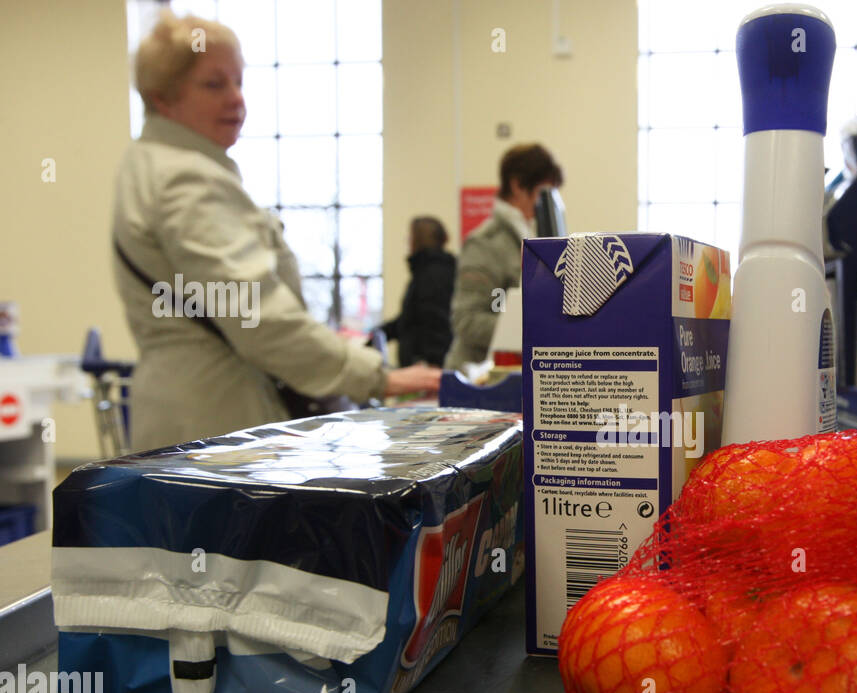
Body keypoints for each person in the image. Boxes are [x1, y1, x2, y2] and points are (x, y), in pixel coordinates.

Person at [113, 12, 441, 452]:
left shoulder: (150, 166)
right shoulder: (185, 179)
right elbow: (257, 314)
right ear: (163, 99)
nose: (237, 100)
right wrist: (376, 376)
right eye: (214, 84)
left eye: (239, 82)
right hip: (218, 430)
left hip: (190, 419)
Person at [442, 143, 563, 371]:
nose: (545, 204)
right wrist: (533, 329)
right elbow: (466, 321)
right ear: (517, 185)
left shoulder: (536, 236)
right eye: (542, 192)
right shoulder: (486, 243)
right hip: (478, 379)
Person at [381, 217, 456, 367]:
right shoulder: (430, 270)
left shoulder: (431, 274)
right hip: (424, 364)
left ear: (417, 239)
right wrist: (378, 334)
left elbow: (436, 322)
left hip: (425, 366)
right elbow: (409, 320)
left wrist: (430, 361)